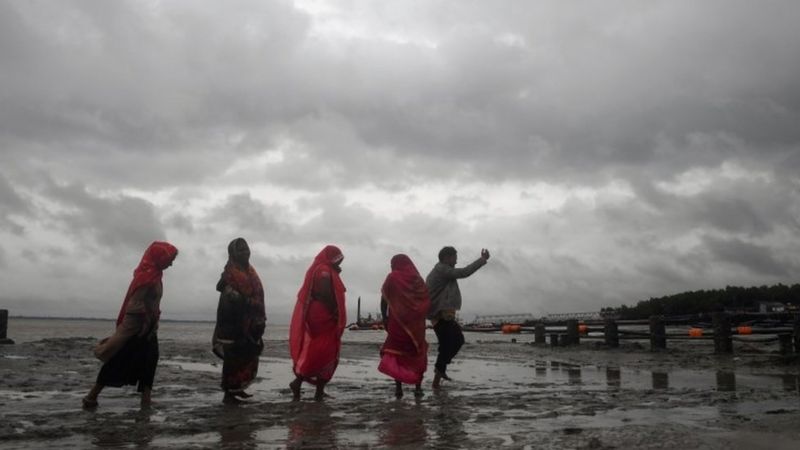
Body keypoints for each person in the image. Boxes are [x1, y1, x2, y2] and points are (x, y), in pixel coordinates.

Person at [84, 241, 179, 409]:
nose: (171, 263)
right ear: (159, 258)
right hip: (137, 328)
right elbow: (134, 304)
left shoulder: (155, 275)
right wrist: (144, 324)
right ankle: (91, 396)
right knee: (118, 361)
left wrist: (151, 323)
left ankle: (146, 399)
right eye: (169, 259)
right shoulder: (146, 277)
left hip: (149, 327)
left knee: (150, 360)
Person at [426, 246, 490, 389]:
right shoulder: (442, 269)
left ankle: (439, 371)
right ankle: (437, 377)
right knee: (448, 345)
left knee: (457, 341)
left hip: (444, 314)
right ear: (446, 257)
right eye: (455, 257)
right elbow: (464, 272)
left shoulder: (442, 270)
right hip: (439, 315)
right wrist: (482, 260)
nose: (456, 260)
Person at [289, 245, 347, 401]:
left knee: (325, 350)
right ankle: (299, 381)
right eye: (338, 259)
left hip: (321, 313)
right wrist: (335, 312)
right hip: (322, 314)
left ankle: (318, 390)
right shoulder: (324, 271)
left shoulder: (326, 270)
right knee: (321, 349)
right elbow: (324, 294)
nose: (339, 263)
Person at [212, 238, 266, 404]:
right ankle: (229, 393)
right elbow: (227, 292)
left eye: (247, 249)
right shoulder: (230, 272)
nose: (245, 252)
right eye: (241, 250)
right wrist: (246, 303)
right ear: (233, 253)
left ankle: (238, 388)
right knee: (233, 357)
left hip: (250, 322)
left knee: (247, 356)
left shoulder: (250, 271)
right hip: (233, 321)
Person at [378, 254, 430, 398]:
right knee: (417, 353)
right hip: (416, 324)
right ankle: (418, 387)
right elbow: (425, 300)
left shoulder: (392, 278)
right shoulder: (418, 280)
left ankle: (398, 388)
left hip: (397, 322)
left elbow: (384, 299)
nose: (391, 267)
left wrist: (384, 317)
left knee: (397, 353)